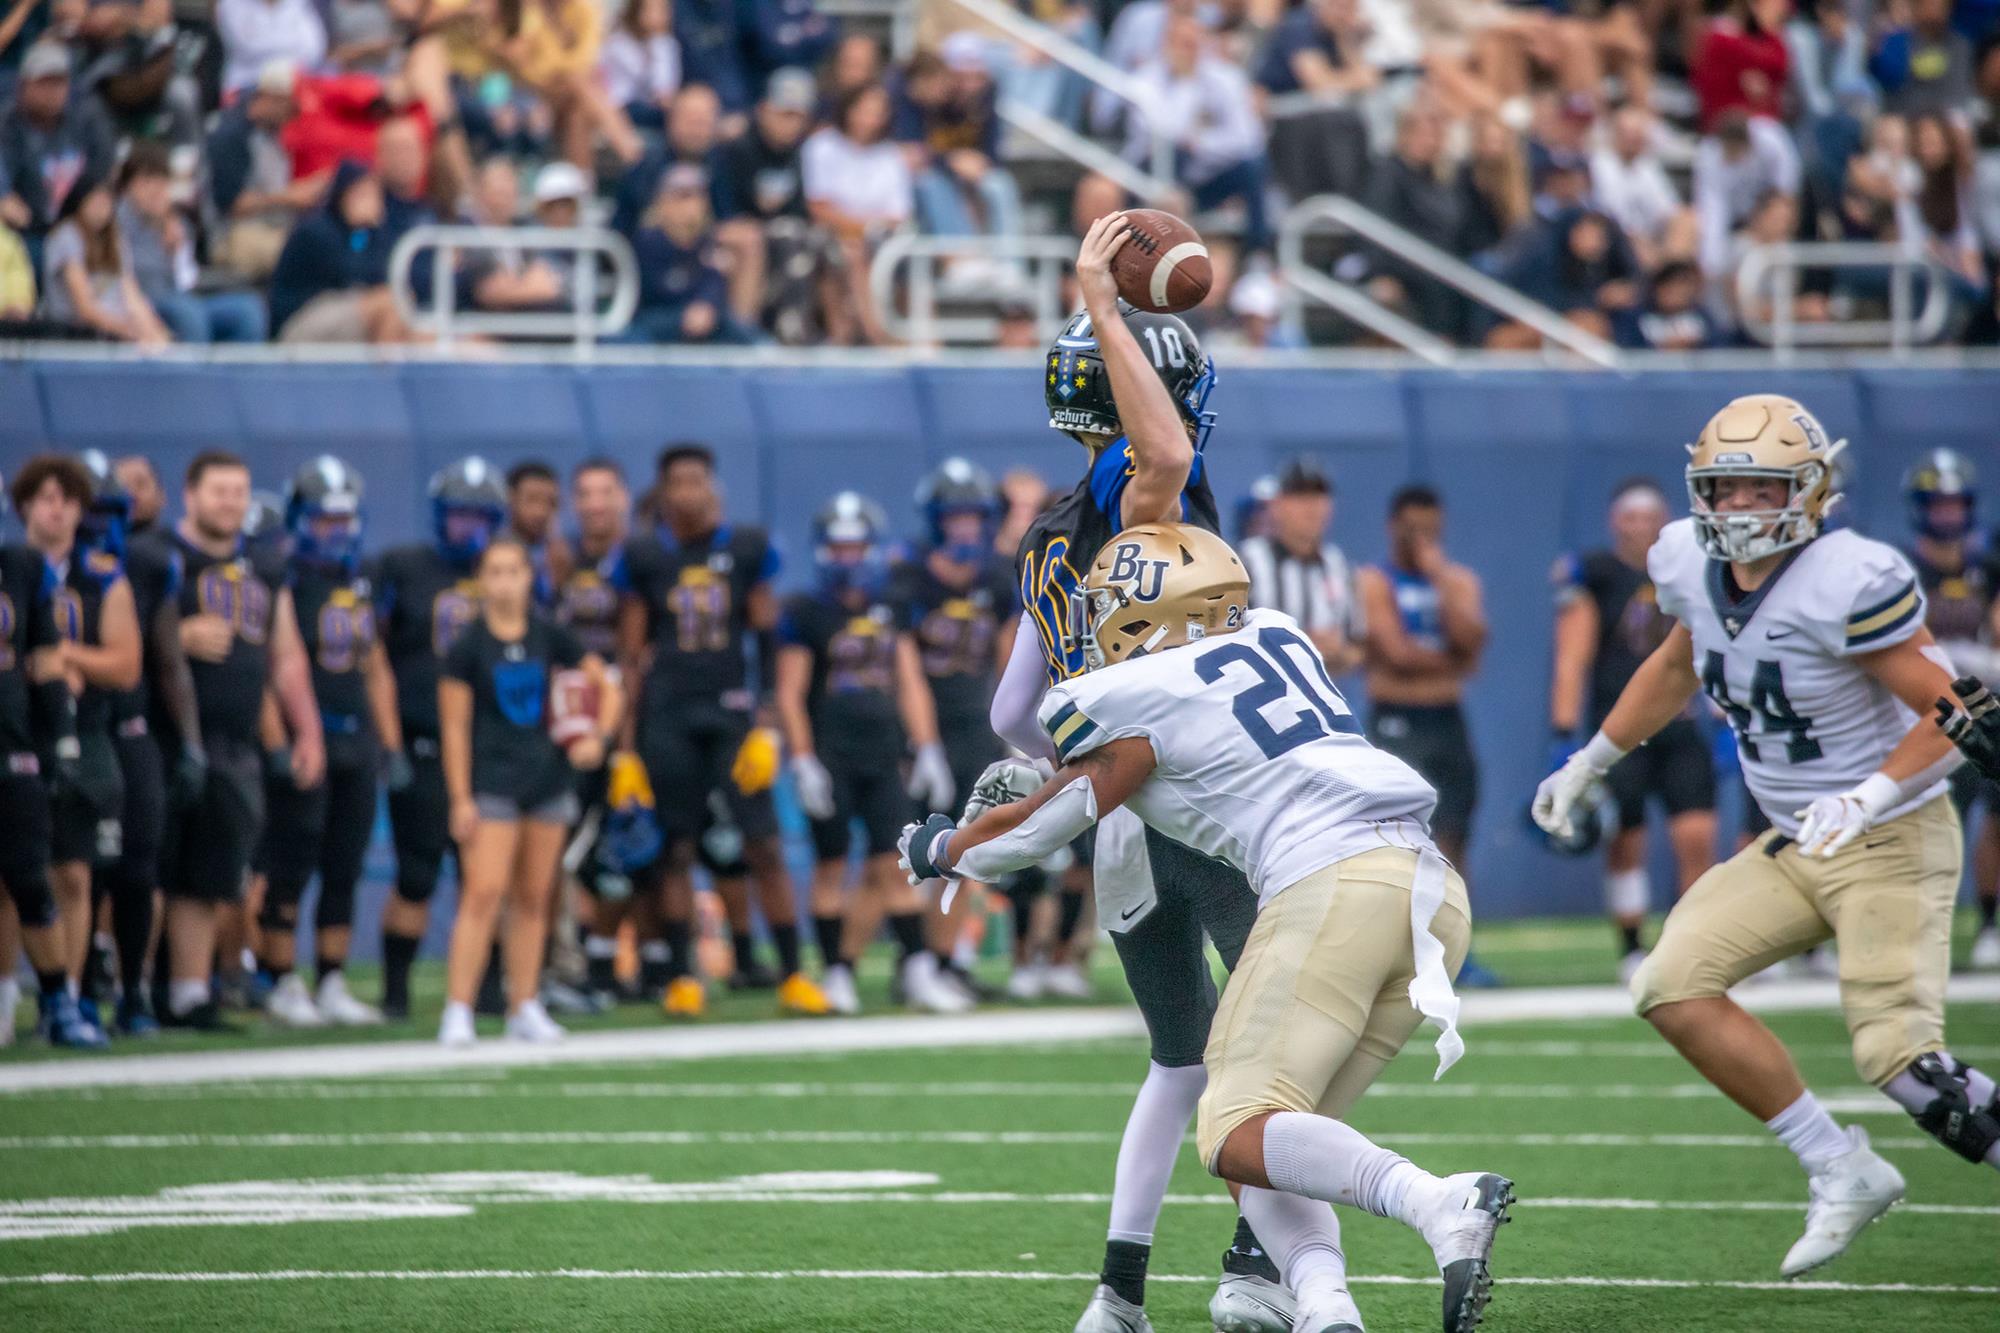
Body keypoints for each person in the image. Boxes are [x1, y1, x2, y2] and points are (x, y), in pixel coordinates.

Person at [903, 522, 1508, 1333]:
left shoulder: (1128, 692)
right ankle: (1327, 1308)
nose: (1096, 622)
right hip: (1432, 890)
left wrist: (944, 848)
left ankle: (1438, 1200)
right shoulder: (1278, 632)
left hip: (1333, 883)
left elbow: (1046, 824)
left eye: (1111, 605)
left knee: (1228, 1125)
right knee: (1277, 1137)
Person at [1535, 394, 2000, 1282]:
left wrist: (1867, 795)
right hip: (1792, 842)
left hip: (1890, 836)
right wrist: (1593, 758)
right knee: (1669, 982)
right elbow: (1678, 661)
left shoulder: (1848, 577)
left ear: (1812, 490)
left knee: (1900, 1061)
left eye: (1761, 488)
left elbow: (1951, 714)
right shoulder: (1683, 560)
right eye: (1725, 488)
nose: (1741, 508)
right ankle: (1839, 1165)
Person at [986, 213, 1289, 1333]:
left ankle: (1115, 1296)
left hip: (1112, 822)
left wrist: (1059, 779)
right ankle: (1259, 1267)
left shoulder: (1044, 531)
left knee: (1178, 1060)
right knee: (1271, 1051)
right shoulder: (1141, 487)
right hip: (1197, 806)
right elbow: (1160, 453)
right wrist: (1106, 304)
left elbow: (1008, 711)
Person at [620, 443, 827, 1017]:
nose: (689, 492)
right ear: (662, 492)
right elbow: (631, 655)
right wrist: (624, 748)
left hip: (731, 713)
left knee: (763, 844)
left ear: (713, 487)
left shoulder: (745, 548)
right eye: (677, 482)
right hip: (667, 715)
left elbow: (766, 638)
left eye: (697, 481)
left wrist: (766, 724)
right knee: (676, 848)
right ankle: (684, 975)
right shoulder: (643, 555)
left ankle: (790, 972)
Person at [775, 492, 958, 1018]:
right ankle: (835, 973)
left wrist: (927, 748)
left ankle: (919, 970)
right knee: (831, 867)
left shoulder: (890, 606)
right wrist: (803, 758)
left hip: (883, 756)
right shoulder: (806, 611)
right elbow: (789, 692)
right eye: (841, 547)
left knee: (896, 865)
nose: (850, 557)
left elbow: (909, 681)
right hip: (832, 755)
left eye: (857, 546)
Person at [158, 451, 323, 1030]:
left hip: (236, 742)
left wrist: (308, 731)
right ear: (191, 493)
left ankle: (187, 992)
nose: (230, 503)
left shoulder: (263, 565)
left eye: (239, 492)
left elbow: (287, 656)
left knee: (208, 877)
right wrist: (177, 635)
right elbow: (124, 629)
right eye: (219, 491)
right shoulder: (162, 556)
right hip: (164, 737)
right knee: (143, 871)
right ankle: (124, 991)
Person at [437, 536, 622, 1046]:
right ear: (481, 581)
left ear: (528, 577)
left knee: (534, 897)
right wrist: (460, 797)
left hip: (547, 778)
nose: (504, 582)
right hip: (492, 781)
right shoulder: (467, 647)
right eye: (493, 572)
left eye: (513, 571)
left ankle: (525, 1004)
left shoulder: (551, 636)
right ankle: (459, 1009)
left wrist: (596, 738)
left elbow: (606, 684)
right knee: (483, 893)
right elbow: (454, 727)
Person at [1547, 480, 1718, 980]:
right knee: (1628, 839)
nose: (1640, 527)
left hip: (1682, 723)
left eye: (1650, 516)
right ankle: (1631, 948)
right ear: (1613, 522)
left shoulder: (1697, 570)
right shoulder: (1596, 575)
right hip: (1622, 725)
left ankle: (1693, 945)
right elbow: (1571, 658)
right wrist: (1563, 734)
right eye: (1630, 516)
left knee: (1696, 836)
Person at [254, 458, 393, 1028]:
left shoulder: (357, 580)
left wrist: (391, 742)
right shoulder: (281, 578)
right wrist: (278, 741)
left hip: (355, 740)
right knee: (291, 863)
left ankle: (332, 979)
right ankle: (280, 979)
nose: (336, 531)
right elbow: (268, 667)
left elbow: (375, 664)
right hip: (307, 742)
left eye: (344, 520)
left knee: (345, 865)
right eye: (324, 520)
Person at [371, 457, 508, 1020]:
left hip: (493, 747)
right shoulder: (402, 567)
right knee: (418, 871)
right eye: (458, 515)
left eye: (479, 516)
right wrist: (392, 743)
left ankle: (496, 989)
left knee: (488, 876)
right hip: (424, 740)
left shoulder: (507, 571)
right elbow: (373, 654)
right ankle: (396, 992)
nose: (467, 527)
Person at [13, 455, 139, 1024]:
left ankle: (62, 998)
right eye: (45, 497)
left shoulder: (102, 574)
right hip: (15, 728)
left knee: (72, 871)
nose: (56, 507)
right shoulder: (11, 568)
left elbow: (125, 664)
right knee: (13, 871)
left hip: (83, 733)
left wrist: (63, 655)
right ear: (23, 508)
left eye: (66, 497)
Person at [894, 458, 1022, 1000]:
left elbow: (1009, 663)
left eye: (974, 517)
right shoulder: (908, 577)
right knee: (909, 848)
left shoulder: (997, 576)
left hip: (975, 723)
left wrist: (1015, 732)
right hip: (919, 726)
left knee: (966, 848)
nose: (966, 528)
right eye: (955, 518)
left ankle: (948, 960)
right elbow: (905, 672)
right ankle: (913, 962)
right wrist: (924, 745)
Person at [1355, 485, 1491, 984]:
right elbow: (1395, 653)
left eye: (1431, 530)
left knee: (1454, 835)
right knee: (1399, 841)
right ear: (1393, 526)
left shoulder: (1456, 580)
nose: (1421, 539)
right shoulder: (1372, 581)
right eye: (1413, 530)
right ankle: (1396, 954)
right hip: (1397, 717)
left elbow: (1474, 643)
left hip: (1447, 719)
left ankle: (1459, 953)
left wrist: (1439, 577)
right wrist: (1450, 658)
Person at [94, 450, 201, 1036]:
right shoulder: (31, 567)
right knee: (72, 871)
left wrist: (190, 742)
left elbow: (166, 661)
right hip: (69, 729)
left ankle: (133, 991)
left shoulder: (149, 562)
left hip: (131, 731)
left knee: (138, 871)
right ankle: (77, 989)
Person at [0, 513, 105, 1047]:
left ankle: (57, 1002)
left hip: (11, 745)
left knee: (30, 877)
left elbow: (45, 660)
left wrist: (62, 737)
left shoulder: (18, 566)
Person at [1897, 450, 2000, 970]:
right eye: (1937, 504)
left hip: (1992, 707)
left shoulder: (1988, 567)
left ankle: (1988, 921)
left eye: (1955, 503)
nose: (1947, 514)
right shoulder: (1898, 570)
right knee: (1935, 822)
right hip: (1930, 712)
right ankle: (1920, 926)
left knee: (1996, 818)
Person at [117, 142, 268, 344]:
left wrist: (177, 250)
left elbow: (186, 280)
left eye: (161, 181)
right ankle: (194, 375)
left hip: (180, 298)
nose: (154, 189)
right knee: (188, 314)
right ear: (128, 185)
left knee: (248, 310)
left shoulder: (174, 223)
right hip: (143, 301)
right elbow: (121, 277)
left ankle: (240, 375)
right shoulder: (116, 223)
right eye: (146, 181)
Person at [1237, 457, 1362, 677]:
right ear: (1276, 505)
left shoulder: (1338, 565)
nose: (1311, 506)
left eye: (1318, 496)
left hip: (1324, 700)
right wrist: (1302, 644)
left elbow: (1358, 645)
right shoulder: (1247, 560)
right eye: (1299, 496)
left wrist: (1339, 654)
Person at [0, 41, 116, 260]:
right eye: (44, 82)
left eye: (59, 83)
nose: (52, 91)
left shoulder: (84, 120)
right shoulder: (9, 125)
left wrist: (100, 195)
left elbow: (103, 169)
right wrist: (3, 196)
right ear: (24, 85)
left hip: (76, 227)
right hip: (29, 233)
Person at [40, 172, 169, 346]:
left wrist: (154, 330)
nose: (102, 207)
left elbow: (132, 295)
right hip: (83, 335)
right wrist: (129, 331)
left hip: (123, 330)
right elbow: (85, 308)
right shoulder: (67, 237)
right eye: (97, 200)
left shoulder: (115, 239)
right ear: (82, 200)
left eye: (107, 201)